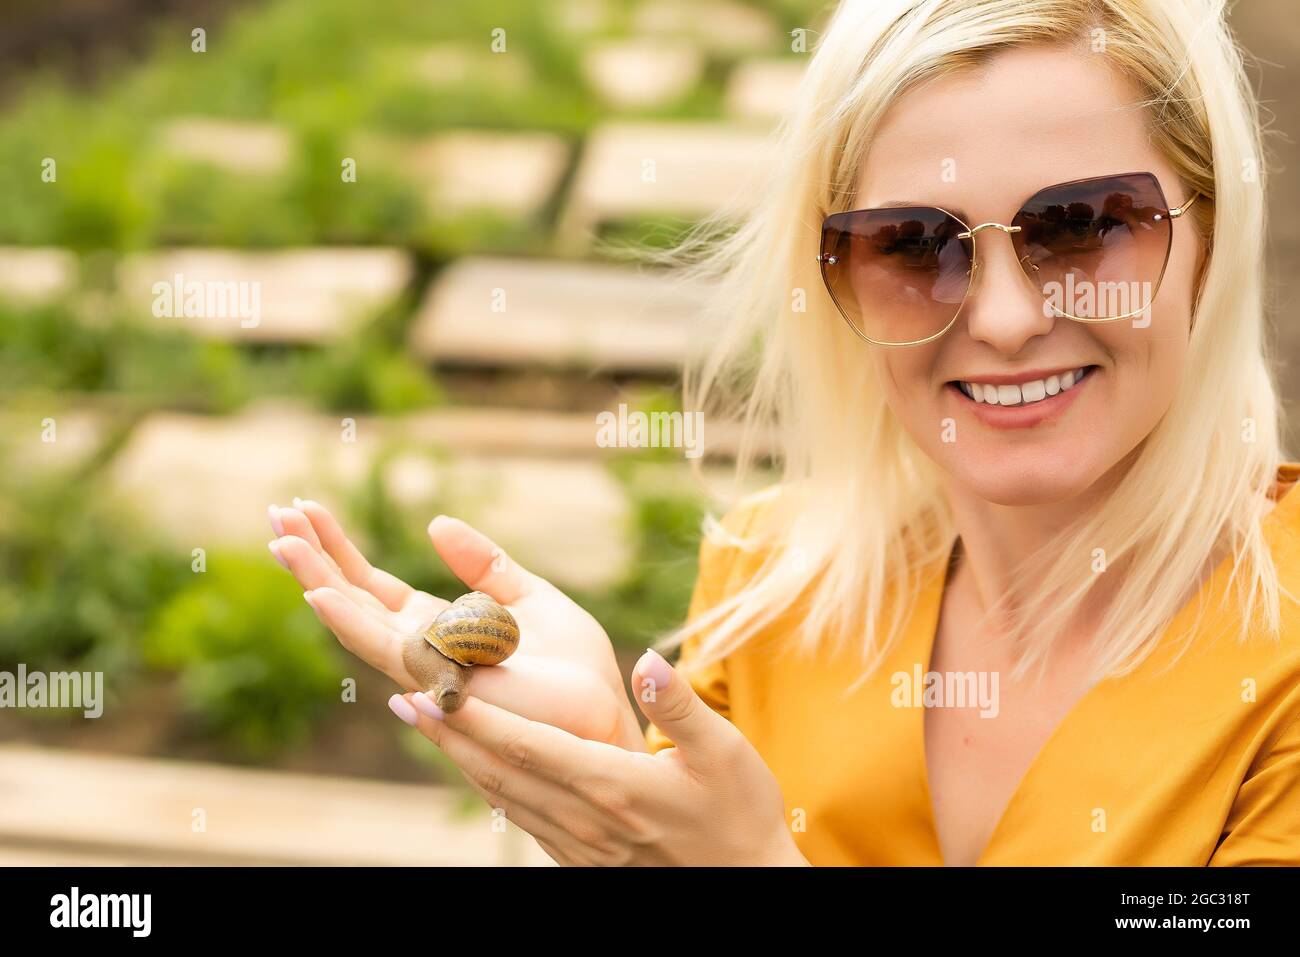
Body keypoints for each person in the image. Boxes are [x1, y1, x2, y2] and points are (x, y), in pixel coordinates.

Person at [266, 0, 1300, 865]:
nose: (1002, 319)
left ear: (1210, 233)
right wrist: (617, 769)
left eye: (1079, 225)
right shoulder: (772, 588)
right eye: (909, 245)